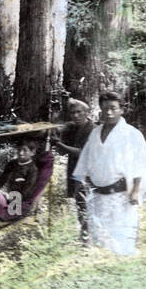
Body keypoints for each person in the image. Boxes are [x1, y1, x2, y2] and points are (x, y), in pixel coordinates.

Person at [71, 91, 146, 256]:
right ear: (100, 110)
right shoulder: (95, 133)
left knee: (121, 238)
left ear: (121, 109)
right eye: (105, 109)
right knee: (101, 238)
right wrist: (81, 182)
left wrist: (136, 190)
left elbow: (140, 164)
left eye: (113, 108)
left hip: (121, 194)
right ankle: (104, 262)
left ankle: (124, 262)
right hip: (98, 193)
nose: (108, 112)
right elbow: (86, 159)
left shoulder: (131, 134)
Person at [54, 98, 94, 243]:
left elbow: (83, 152)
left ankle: (89, 238)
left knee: (88, 202)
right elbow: (61, 152)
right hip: (75, 170)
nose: (76, 115)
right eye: (73, 113)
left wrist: (60, 144)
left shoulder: (92, 129)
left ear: (87, 113)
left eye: (79, 112)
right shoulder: (72, 128)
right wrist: (56, 135)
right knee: (80, 203)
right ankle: (85, 237)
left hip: (90, 171)